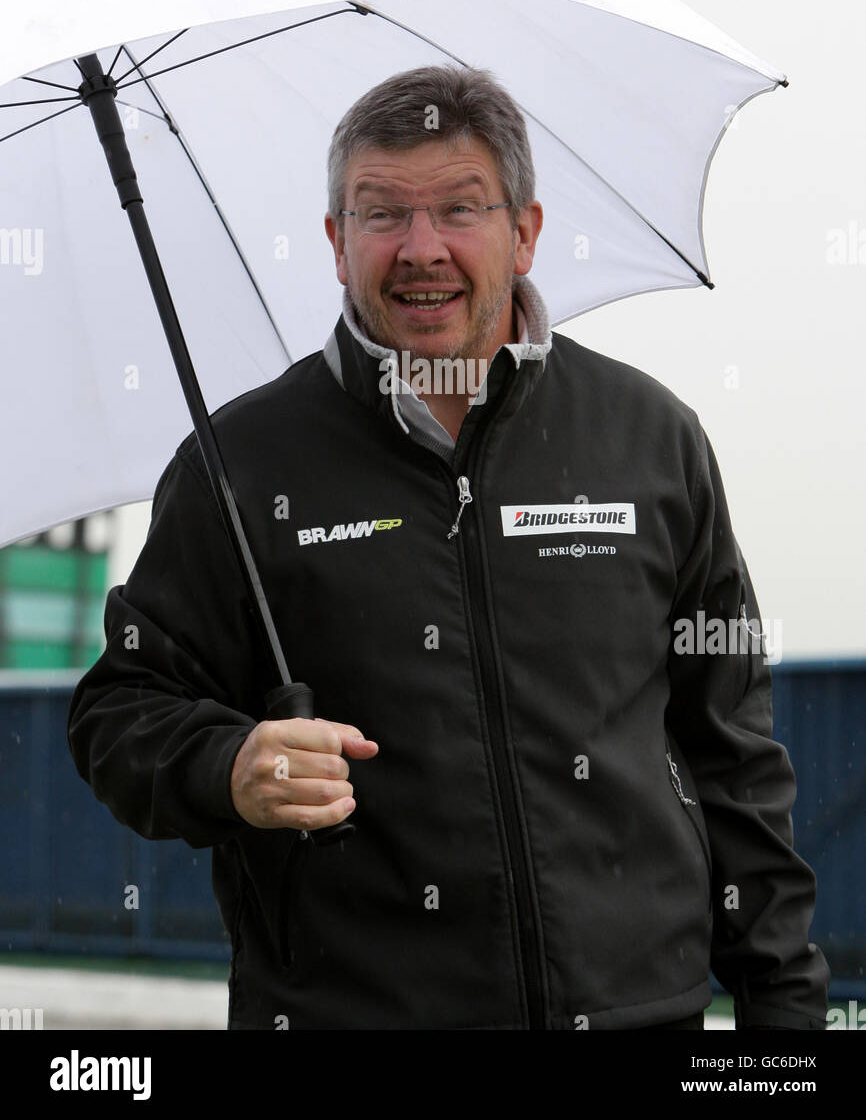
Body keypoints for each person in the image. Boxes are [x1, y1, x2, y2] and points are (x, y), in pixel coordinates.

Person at [67, 65, 830, 1031]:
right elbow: (119, 710)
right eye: (382, 214)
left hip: (644, 1019)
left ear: (525, 232)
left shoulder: (650, 438)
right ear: (339, 244)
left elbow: (734, 757)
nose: (421, 249)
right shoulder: (240, 465)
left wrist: (788, 1028)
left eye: (460, 209)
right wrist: (226, 765)